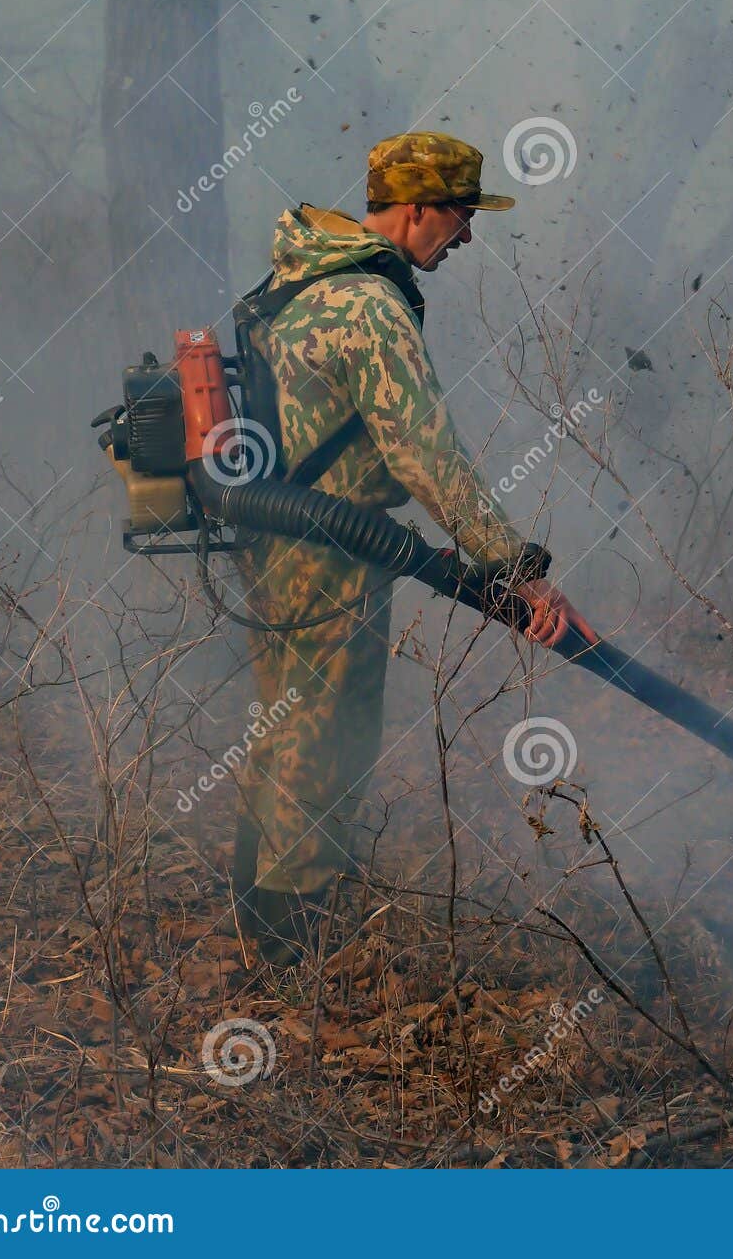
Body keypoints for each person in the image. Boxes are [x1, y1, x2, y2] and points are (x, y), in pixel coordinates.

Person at [233, 131, 596, 966]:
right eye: (461, 217)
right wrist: (518, 573)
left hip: (280, 537)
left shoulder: (299, 277)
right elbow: (424, 453)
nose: (465, 237)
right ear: (419, 207)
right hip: (329, 548)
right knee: (326, 740)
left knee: (283, 728)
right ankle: (292, 961)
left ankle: (257, 929)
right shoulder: (367, 302)